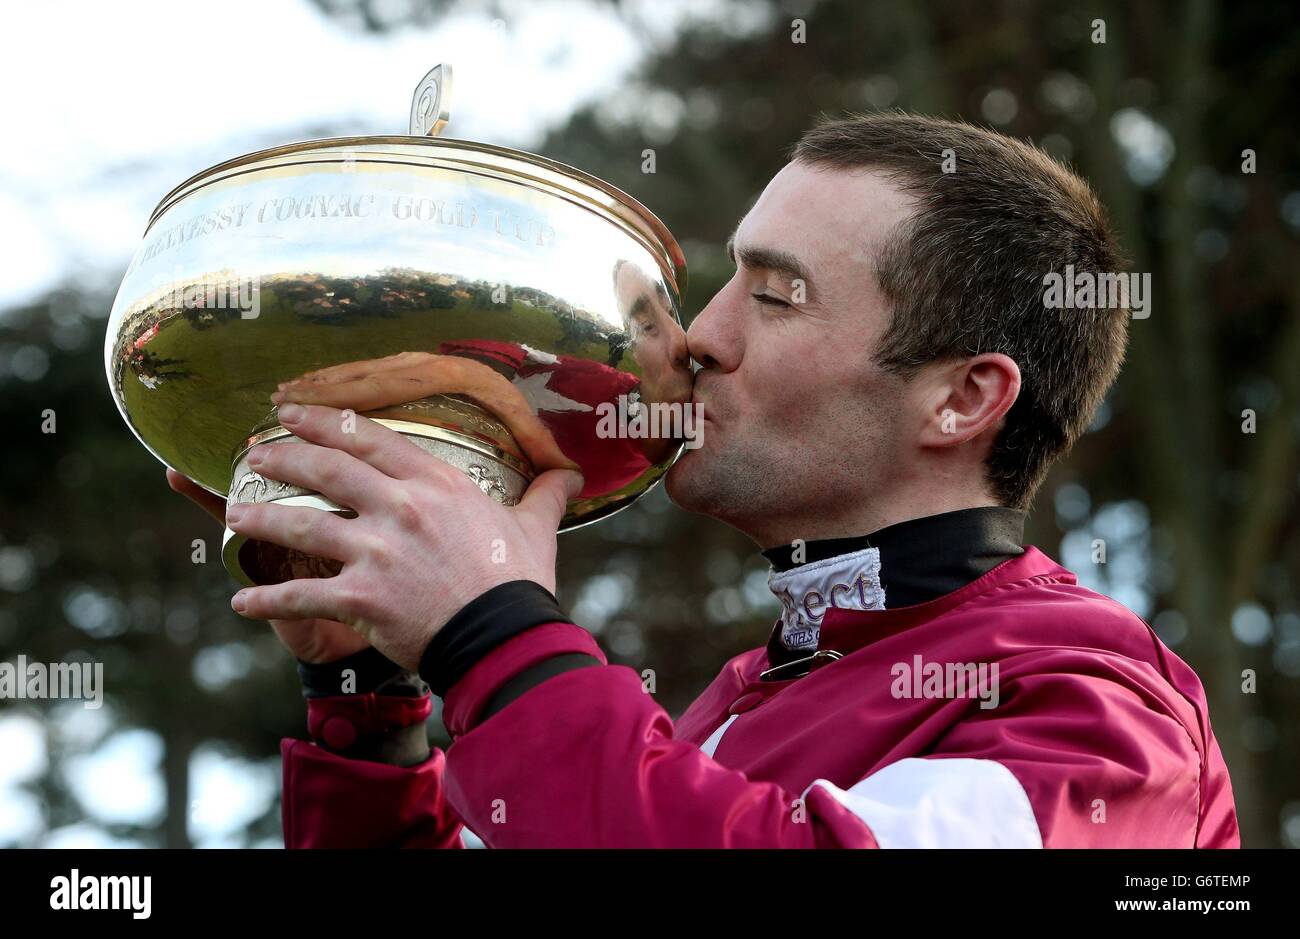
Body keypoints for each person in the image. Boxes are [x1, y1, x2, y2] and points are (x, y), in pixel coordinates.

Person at [168, 112, 1239, 848]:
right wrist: (370, 684)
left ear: (962, 399)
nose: (699, 339)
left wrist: (490, 635)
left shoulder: (1098, 703)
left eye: (775, 296)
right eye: (725, 278)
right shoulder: (732, 705)